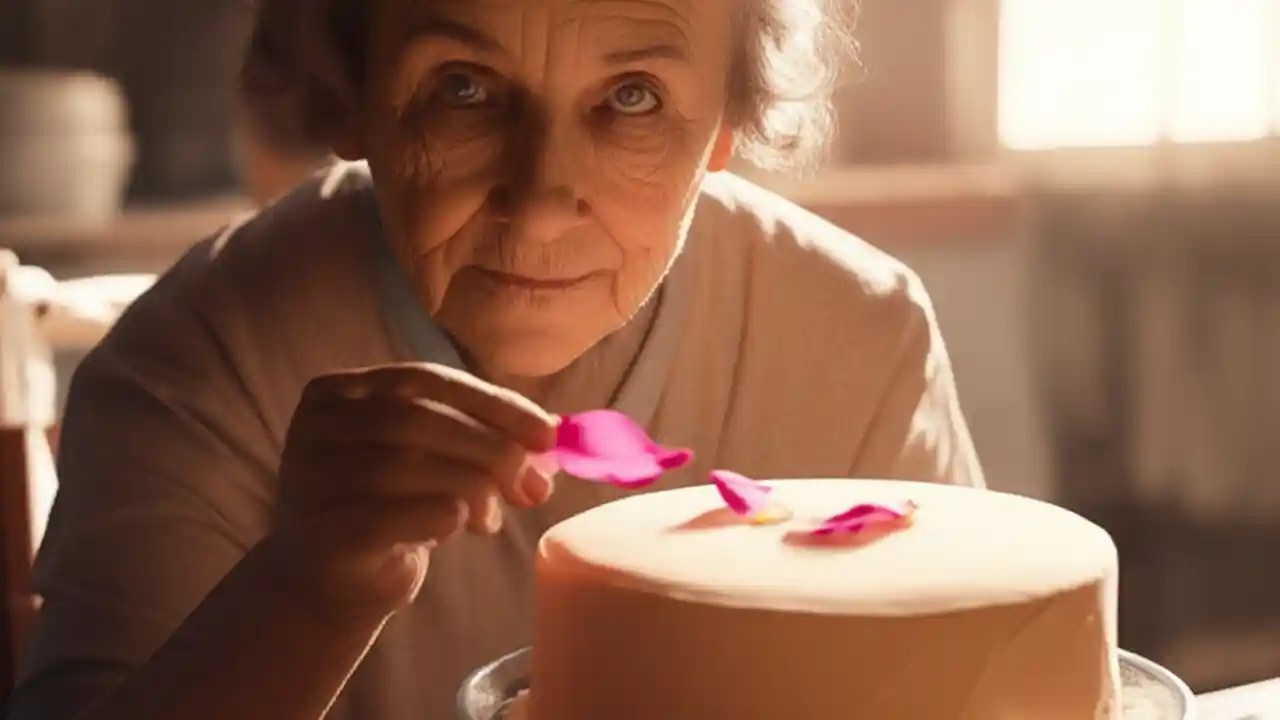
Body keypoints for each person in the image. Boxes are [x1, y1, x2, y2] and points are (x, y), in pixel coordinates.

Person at [9, 0, 983, 718]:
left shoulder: (859, 337)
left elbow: (983, 687)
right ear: (353, 92)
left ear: (725, 122)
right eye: (463, 90)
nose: (541, 195)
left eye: (631, 97)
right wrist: (308, 586)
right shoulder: (194, 359)